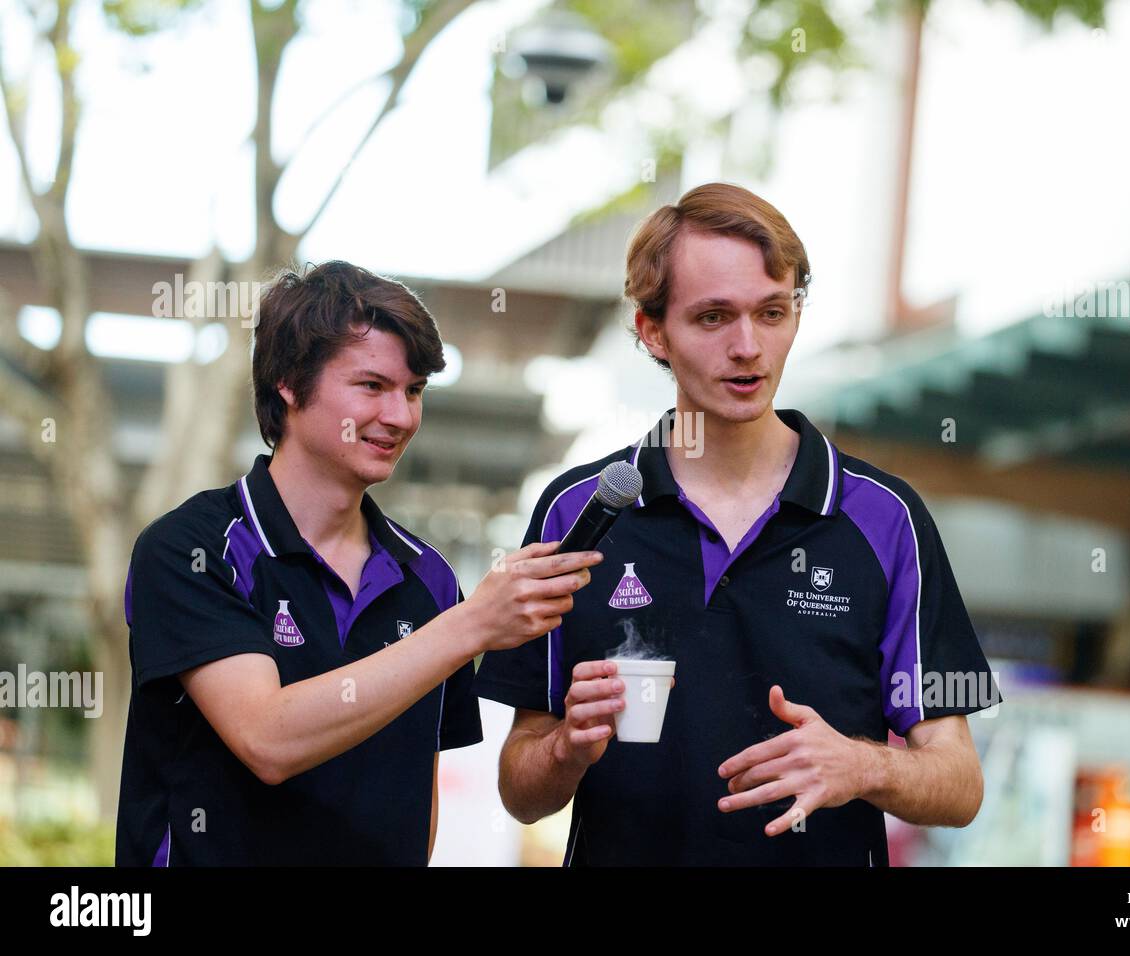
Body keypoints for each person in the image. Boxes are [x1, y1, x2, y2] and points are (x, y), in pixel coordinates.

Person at [475, 183, 1002, 865]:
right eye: (714, 317)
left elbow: (960, 784)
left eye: (772, 312)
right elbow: (521, 793)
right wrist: (565, 748)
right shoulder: (581, 510)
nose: (749, 346)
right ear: (652, 330)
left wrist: (865, 766)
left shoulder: (885, 518)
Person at [115, 261, 602, 865]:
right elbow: (267, 738)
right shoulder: (190, 550)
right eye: (372, 387)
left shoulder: (430, 580)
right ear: (289, 384)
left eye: (414, 391)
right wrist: (471, 624)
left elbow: (415, 807)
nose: (400, 417)